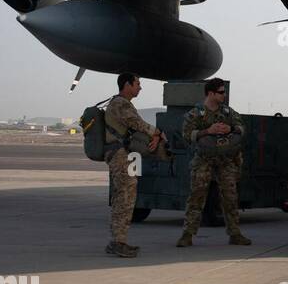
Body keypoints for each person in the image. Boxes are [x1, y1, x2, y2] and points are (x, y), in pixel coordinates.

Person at [176, 78, 251, 247]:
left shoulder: (228, 113)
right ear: (211, 93)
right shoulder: (195, 114)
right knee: (197, 196)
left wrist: (230, 129)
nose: (224, 95)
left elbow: (242, 128)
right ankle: (187, 235)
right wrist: (207, 131)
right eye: (221, 92)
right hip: (203, 159)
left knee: (230, 198)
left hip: (226, 160)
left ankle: (235, 234)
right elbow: (187, 135)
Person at [103, 73, 164, 258]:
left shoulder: (123, 103)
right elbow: (136, 123)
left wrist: (153, 136)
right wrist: (157, 132)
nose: (140, 87)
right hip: (121, 156)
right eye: (137, 83)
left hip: (128, 155)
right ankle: (118, 242)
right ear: (127, 85)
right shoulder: (120, 103)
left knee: (128, 194)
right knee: (125, 197)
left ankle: (118, 241)